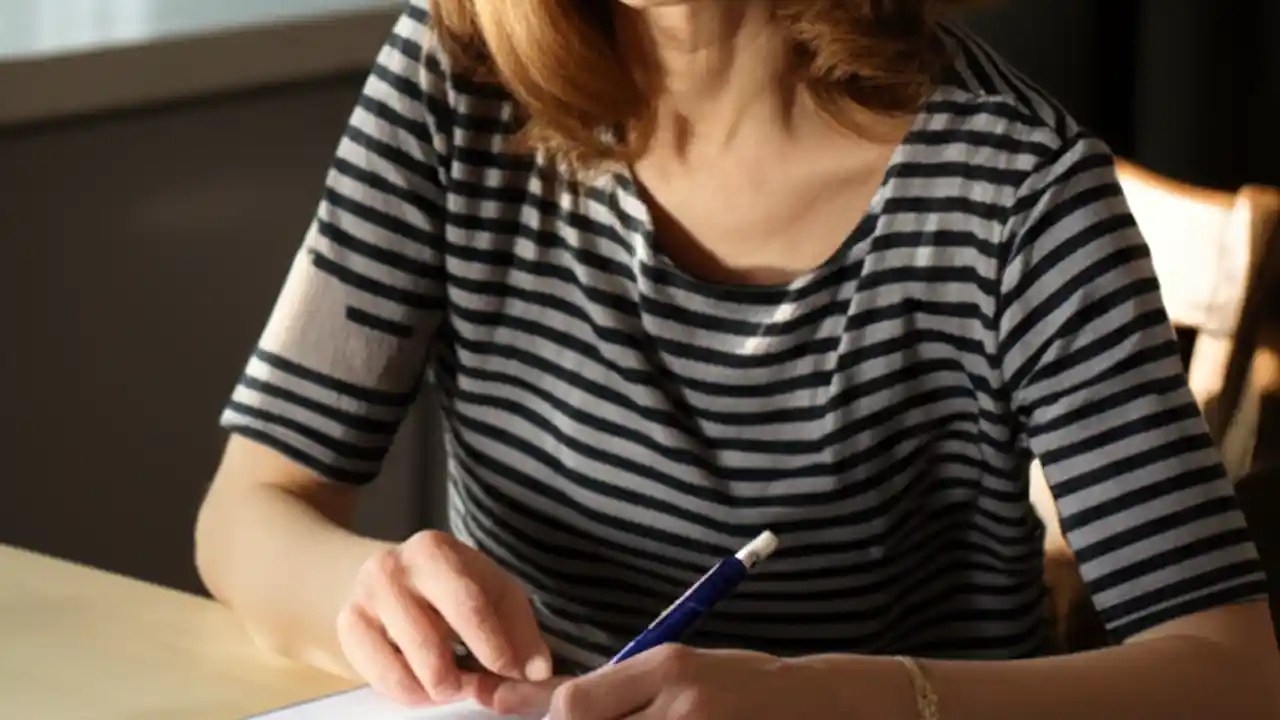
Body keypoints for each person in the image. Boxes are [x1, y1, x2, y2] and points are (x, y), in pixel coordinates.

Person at [194, 1, 1280, 717]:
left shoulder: (1015, 190)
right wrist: (370, 593)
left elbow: (1230, 673)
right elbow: (248, 511)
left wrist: (837, 702)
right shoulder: (455, 72)